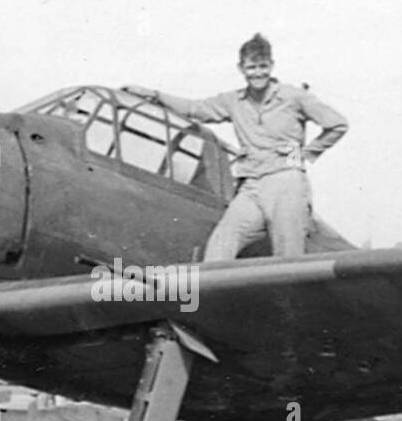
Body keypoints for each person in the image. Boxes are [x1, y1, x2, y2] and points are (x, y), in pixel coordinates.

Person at [126, 33, 348, 260]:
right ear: (241, 68)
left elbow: (337, 124)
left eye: (263, 66)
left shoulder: (294, 97)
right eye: (252, 67)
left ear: (271, 66)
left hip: (286, 183)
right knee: (219, 249)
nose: (258, 73)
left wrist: (301, 155)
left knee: (288, 259)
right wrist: (154, 95)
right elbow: (196, 109)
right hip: (251, 186)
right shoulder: (233, 101)